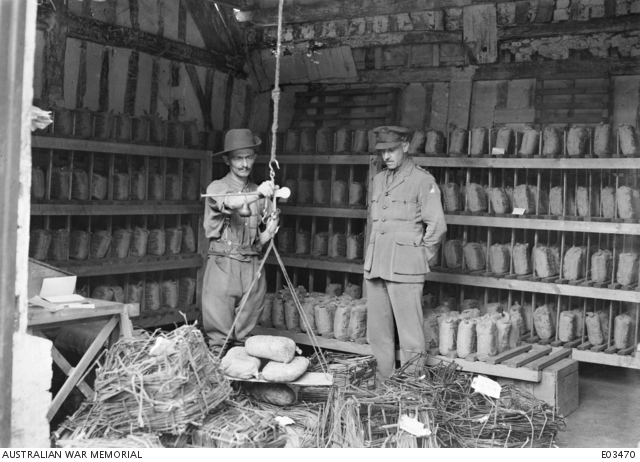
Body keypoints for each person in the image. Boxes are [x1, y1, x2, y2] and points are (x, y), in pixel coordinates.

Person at [364, 126, 447, 381]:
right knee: (378, 333)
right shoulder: (378, 180)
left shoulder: (423, 181)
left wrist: (419, 257)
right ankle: (383, 387)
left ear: (406, 147)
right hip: (377, 265)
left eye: (391, 150)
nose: (386, 156)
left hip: (406, 268)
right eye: (383, 152)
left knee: (410, 335)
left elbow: (437, 226)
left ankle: (411, 390)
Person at [202, 128, 279, 355]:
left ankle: (240, 386)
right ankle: (219, 387)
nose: (244, 164)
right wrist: (259, 195)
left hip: (252, 264)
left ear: (254, 158)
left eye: (248, 157)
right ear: (227, 160)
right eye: (238, 158)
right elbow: (233, 202)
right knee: (220, 337)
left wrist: (268, 233)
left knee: (244, 335)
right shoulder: (216, 188)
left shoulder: (258, 191)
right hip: (223, 264)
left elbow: (262, 232)